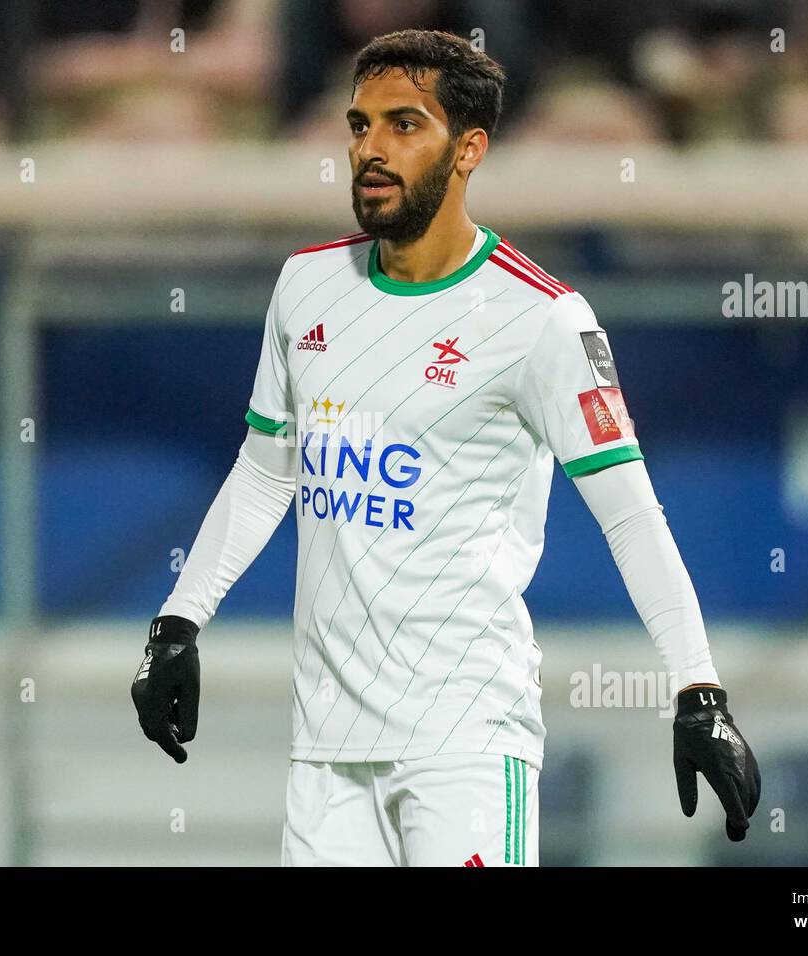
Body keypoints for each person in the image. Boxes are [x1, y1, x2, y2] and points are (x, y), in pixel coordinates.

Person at [133, 28, 760, 867]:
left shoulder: (543, 319)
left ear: (469, 150)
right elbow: (263, 471)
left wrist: (697, 689)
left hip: (464, 742)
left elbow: (629, 515)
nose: (371, 150)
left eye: (404, 125)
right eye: (359, 127)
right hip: (325, 749)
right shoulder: (305, 287)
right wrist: (178, 622)